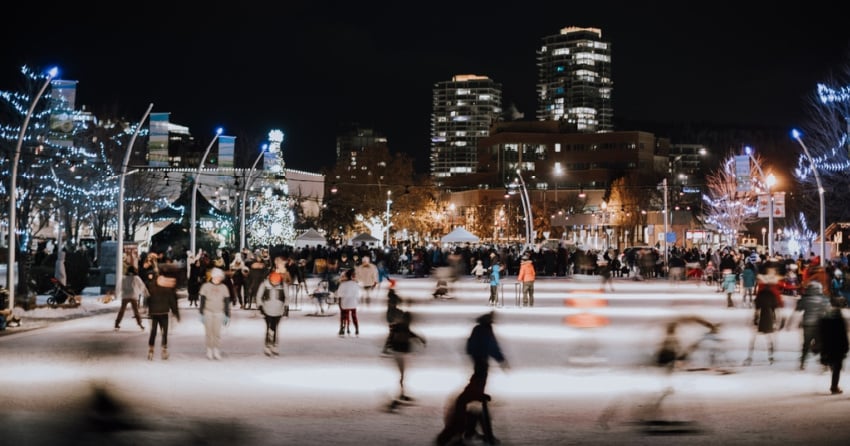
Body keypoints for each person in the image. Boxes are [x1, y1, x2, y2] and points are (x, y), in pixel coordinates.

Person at [436, 311, 508, 446]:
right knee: (475, 404)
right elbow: (492, 346)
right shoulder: (485, 330)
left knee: (475, 406)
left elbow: (472, 346)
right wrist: (500, 360)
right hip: (480, 364)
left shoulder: (479, 329)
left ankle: (473, 432)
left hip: (479, 364)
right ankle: (475, 433)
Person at [386, 311, 426, 411]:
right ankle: (400, 394)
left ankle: (402, 393)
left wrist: (420, 339)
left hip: (400, 353)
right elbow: (393, 337)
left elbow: (410, 334)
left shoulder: (402, 326)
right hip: (399, 353)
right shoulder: (400, 327)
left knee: (402, 375)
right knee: (402, 375)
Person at [145, 273, 181, 361]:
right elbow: (172, 302)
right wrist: (176, 313)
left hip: (155, 313)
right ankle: (163, 349)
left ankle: (151, 349)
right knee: (164, 332)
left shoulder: (152, 288)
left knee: (154, 331)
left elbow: (147, 300)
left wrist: (148, 310)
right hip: (163, 313)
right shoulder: (167, 290)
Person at [817, 296, 849, 394]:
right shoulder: (840, 318)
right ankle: (834, 386)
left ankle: (834, 384)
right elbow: (843, 334)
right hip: (837, 346)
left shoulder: (824, 317)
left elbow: (820, 332)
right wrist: (846, 346)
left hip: (827, 345)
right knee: (837, 367)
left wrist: (819, 343)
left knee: (833, 364)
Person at [199, 268, 232, 360]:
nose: (219, 278)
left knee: (217, 333)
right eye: (217, 276)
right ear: (213, 276)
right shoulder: (205, 286)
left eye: (220, 277)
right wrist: (201, 312)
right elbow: (202, 300)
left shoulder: (224, 287)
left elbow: (226, 301)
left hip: (219, 312)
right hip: (208, 311)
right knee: (209, 333)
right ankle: (209, 349)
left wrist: (227, 314)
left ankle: (216, 350)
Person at [743, 283, 780, 366]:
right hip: (769, 317)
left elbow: (756, 306)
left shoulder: (760, 294)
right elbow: (775, 307)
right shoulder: (772, 295)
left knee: (754, 339)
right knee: (769, 338)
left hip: (761, 316)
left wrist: (755, 319)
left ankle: (750, 356)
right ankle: (771, 356)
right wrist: (775, 320)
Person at [796, 281, 829, 370]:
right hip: (819, 324)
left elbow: (798, 308)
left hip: (807, 324)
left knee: (806, 344)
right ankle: (824, 364)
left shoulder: (805, 299)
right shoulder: (824, 299)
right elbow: (828, 309)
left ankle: (802, 363)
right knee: (822, 344)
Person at [255, 271, 288, 356]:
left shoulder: (283, 285)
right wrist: (260, 307)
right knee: (269, 328)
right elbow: (259, 296)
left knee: (274, 328)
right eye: (273, 282)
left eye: (277, 282)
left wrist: (286, 309)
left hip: (278, 311)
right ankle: (268, 345)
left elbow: (287, 297)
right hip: (267, 310)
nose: (275, 284)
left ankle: (274, 344)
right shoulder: (264, 285)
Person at [114, 266, 148, 332]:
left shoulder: (124, 278)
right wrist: (146, 293)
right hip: (133, 296)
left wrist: (117, 294)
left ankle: (117, 323)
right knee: (136, 311)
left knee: (122, 310)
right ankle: (140, 324)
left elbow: (119, 286)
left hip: (125, 296)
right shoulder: (136, 278)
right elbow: (142, 286)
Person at [336, 268, 361, 336]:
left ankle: (342, 328)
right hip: (353, 303)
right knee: (354, 315)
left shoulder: (343, 284)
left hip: (345, 303)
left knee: (343, 314)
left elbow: (339, 294)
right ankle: (356, 329)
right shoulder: (355, 284)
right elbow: (358, 294)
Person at [382, 281, 404, 355]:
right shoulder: (393, 300)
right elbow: (399, 302)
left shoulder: (390, 299)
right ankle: (387, 347)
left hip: (390, 318)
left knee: (392, 333)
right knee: (392, 334)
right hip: (393, 319)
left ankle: (390, 346)